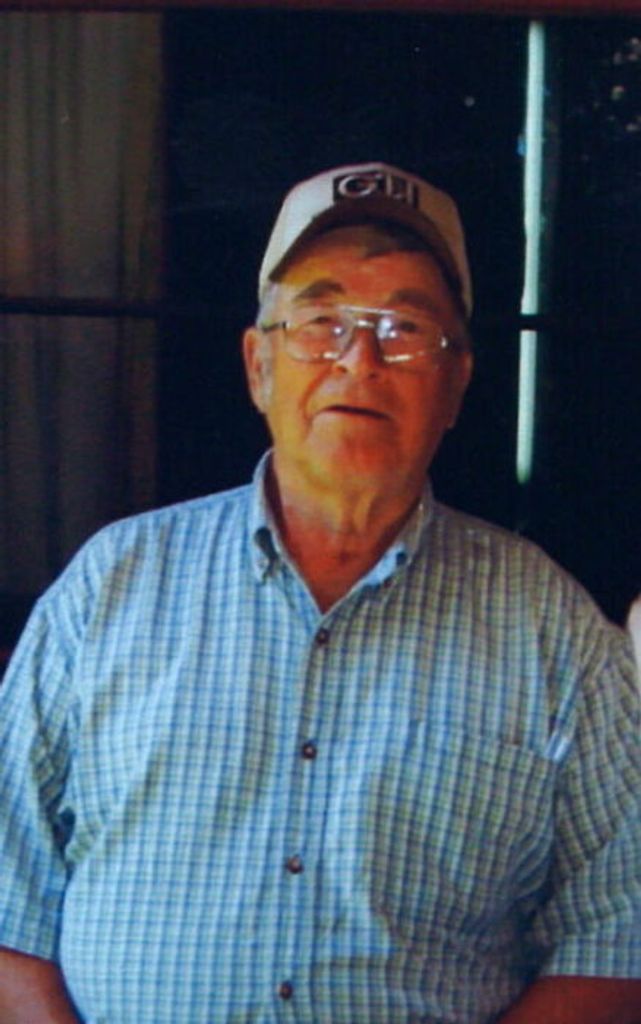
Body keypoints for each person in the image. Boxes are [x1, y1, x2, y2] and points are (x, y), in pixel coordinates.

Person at [0, 162, 640, 1024]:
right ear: (258, 365)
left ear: (456, 382)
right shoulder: (111, 584)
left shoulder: (552, 630)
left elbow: (617, 937)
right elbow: (7, 904)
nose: (358, 360)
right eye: (320, 322)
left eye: (404, 328)